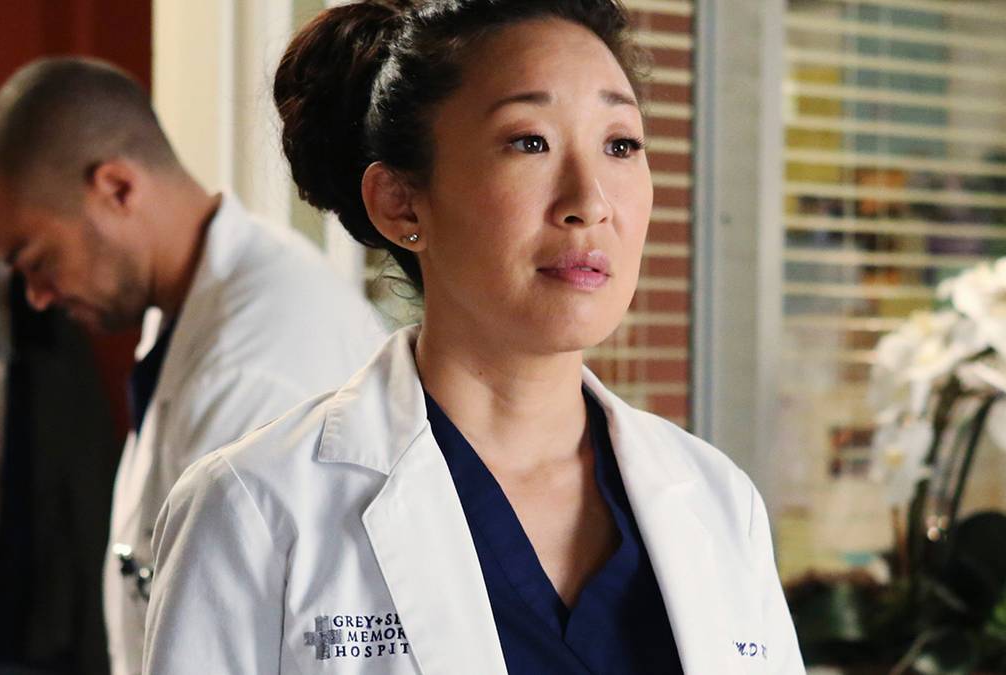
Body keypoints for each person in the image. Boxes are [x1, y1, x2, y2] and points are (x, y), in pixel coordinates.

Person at [145, 0, 804, 673]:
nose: (590, 201)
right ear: (400, 202)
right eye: (530, 142)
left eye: (620, 145)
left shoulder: (720, 501)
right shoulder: (255, 507)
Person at [0, 57, 390, 675]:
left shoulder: (252, 365)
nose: (36, 296)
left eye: (36, 260)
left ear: (117, 188)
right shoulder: (195, 299)